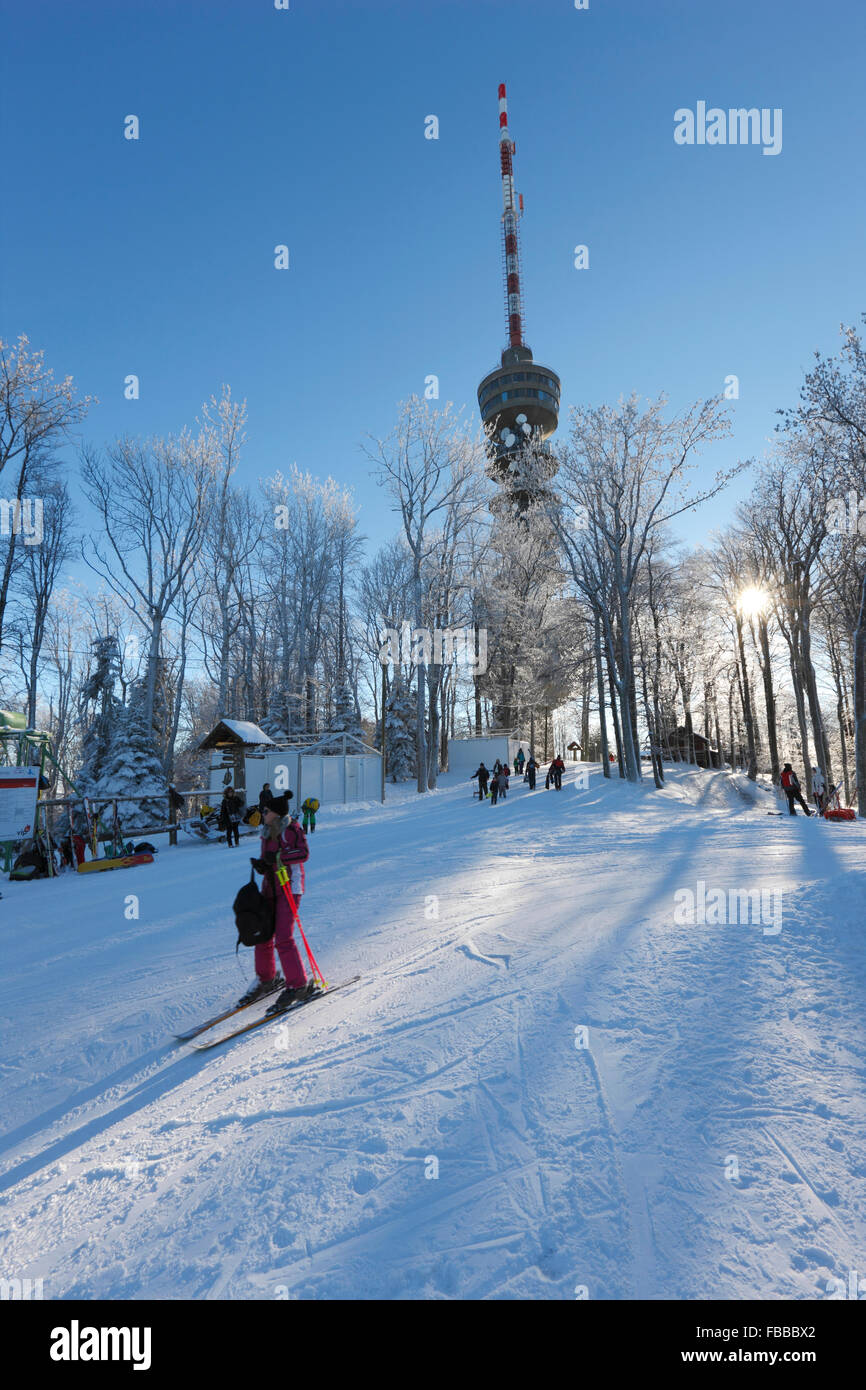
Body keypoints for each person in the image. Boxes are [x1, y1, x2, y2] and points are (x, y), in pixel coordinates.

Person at [239, 793, 316, 1012]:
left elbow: (303, 853)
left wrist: (280, 857)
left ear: (276, 813)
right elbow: (270, 860)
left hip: (290, 888)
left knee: (283, 936)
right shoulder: (266, 833)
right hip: (270, 889)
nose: (262, 814)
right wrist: (263, 865)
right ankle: (267, 978)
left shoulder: (291, 828)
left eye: (265, 811)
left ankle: (298, 984)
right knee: (262, 934)